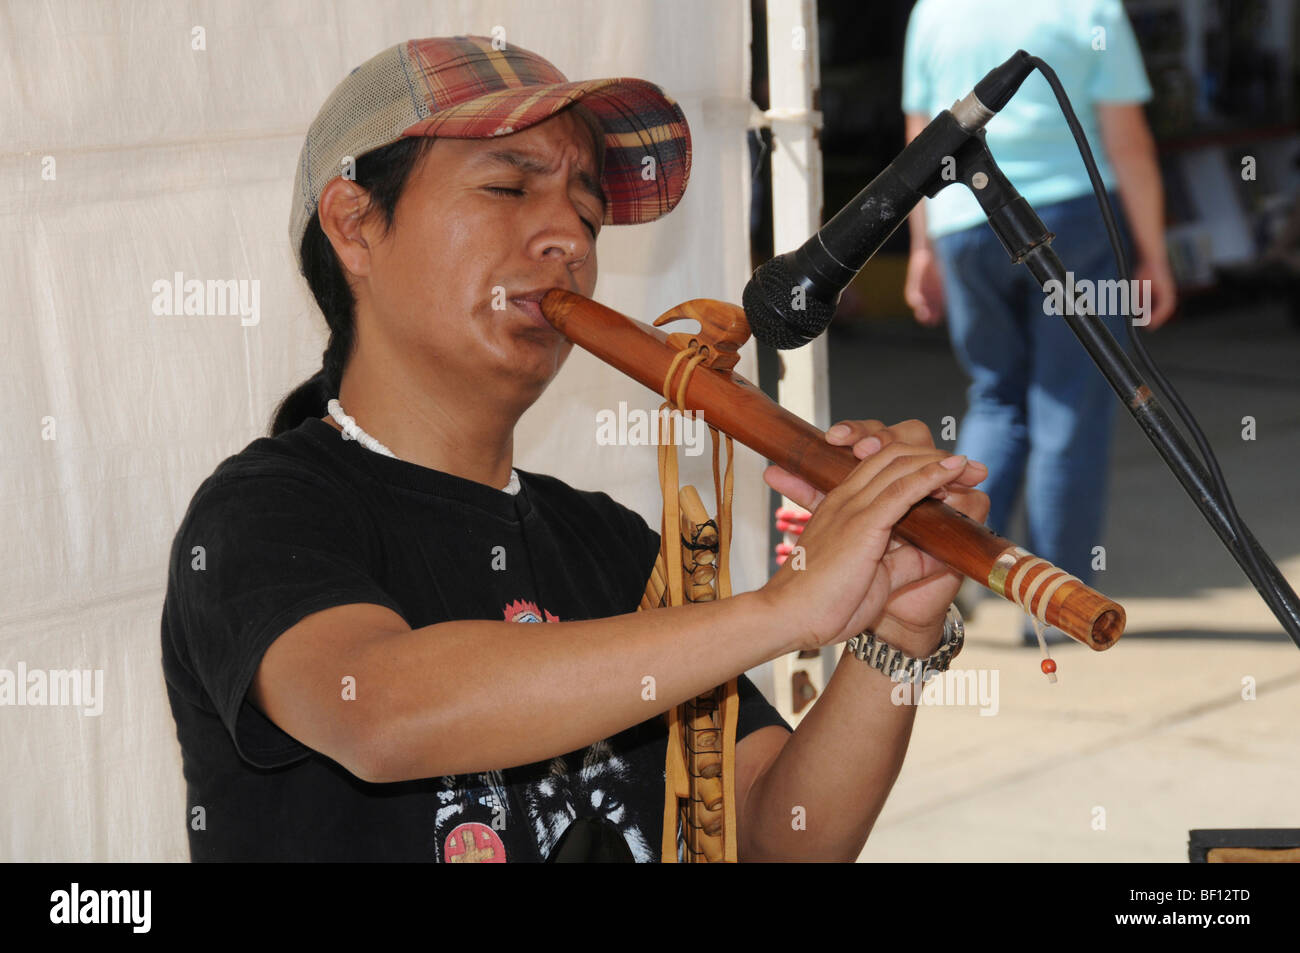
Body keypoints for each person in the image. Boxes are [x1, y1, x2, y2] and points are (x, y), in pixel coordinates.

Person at [160, 35, 989, 862]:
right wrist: (784, 610)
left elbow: (779, 840)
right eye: (507, 187)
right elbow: (380, 713)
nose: (570, 238)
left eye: (585, 212)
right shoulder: (263, 513)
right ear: (355, 225)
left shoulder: (610, 542)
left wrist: (897, 633)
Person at [901, 0, 1176, 644]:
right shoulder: (1090, 8)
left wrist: (922, 245)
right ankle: (1057, 609)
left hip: (965, 222)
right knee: (1068, 406)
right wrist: (1156, 251)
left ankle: (953, 571)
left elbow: (924, 137)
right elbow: (1126, 137)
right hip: (1070, 219)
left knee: (996, 400)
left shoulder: (934, 11)